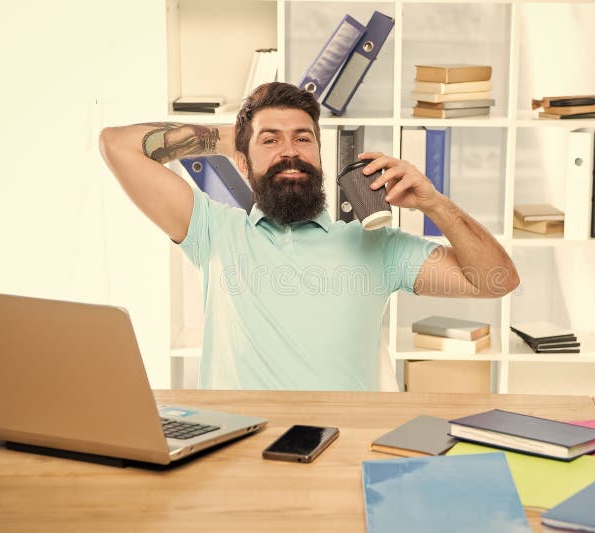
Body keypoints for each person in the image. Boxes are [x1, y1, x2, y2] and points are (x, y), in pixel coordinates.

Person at [99, 82, 519, 391]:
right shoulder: (214, 231)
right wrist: (236, 136)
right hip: (237, 456)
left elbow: (495, 280)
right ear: (241, 164)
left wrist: (433, 203)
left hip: (342, 451)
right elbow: (117, 144)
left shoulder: (375, 245)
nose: (290, 151)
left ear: (319, 154)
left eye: (303, 139)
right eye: (272, 141)